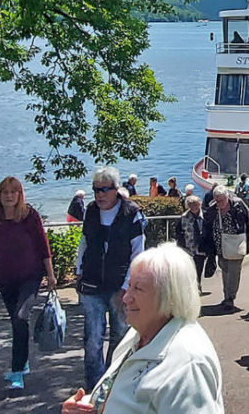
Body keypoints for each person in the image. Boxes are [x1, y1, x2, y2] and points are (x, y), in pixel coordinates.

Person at [60, 243, 224, 414]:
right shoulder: (141, 334)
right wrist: (87, 405)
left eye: (138, 289)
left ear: (169, 297)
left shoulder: (188, 365)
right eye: (129, 286)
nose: (126, 298)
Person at [0, 176, 56, 390]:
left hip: (30, 277)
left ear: (19, 195)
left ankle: (17, 372)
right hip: (5, 279)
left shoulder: (29, 216)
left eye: (13, 192)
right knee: (17, 324)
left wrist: (51, 275)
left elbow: (44, 247)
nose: (9, 196)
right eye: (5, 192)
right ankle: (22, 362)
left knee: (20, 318)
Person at [76, 167, 147, 391]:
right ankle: (93, 388)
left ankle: (113, 385)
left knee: (120, 338)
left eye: (104, 189)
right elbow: (84, 242)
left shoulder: (131, 213)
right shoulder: (90, 211)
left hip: (119, 287)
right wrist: (78, 269)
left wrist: (127, 287)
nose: (99, 195)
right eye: (96, 190)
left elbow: (138, 252)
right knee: (93, 339)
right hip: (92, 285)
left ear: (116, 190)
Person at [202, 184, 249, 311]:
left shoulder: (238, 204)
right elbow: (207, 226)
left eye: (221, 200)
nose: (219, 203)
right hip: (220, 246)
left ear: (227, 197)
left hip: (236, 243)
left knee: (234, 271)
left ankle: (230, 297)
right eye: (217, 200)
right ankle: (226, 296)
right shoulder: (212, 209)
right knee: (225, 270)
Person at [175, 195, 208, 293]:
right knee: (189, 270)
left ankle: (198, 286)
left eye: (196, 204)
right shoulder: (183, 217)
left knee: (199, 269)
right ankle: (192, 288)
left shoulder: (205, 215)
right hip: (188, 248)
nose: (194, 207)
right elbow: (178, 232)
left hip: (201, 248)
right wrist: (181, 246)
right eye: (191, 205)